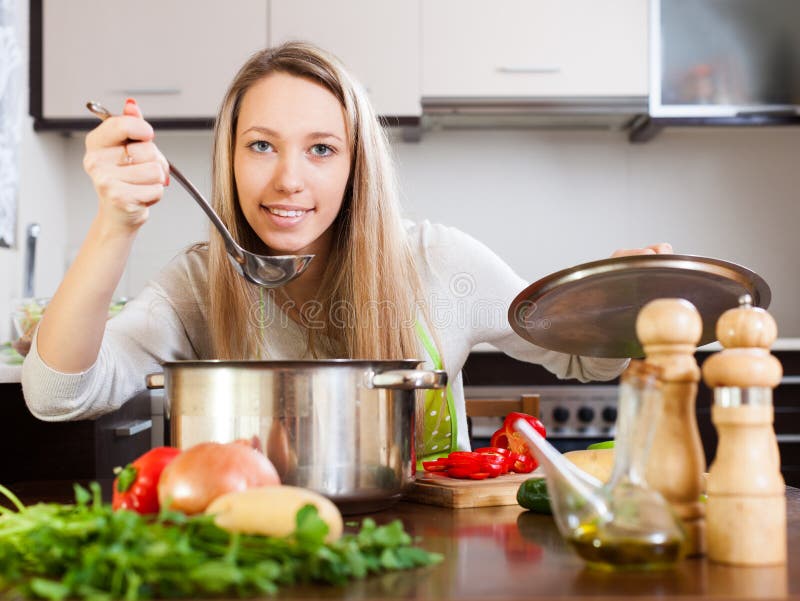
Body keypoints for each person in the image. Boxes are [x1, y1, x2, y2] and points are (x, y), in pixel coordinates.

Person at [22, 42, 671, 459]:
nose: (289, 180)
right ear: (229, 157)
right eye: (261, 145)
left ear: (357, 165)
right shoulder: (201, 283)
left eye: (321, 148)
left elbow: (583, 356)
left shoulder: (438, 263)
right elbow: (57, 394)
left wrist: (625, 297)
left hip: (430, 561)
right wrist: (116, 223)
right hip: (263, 559)